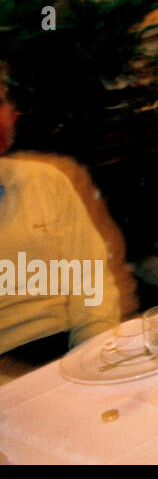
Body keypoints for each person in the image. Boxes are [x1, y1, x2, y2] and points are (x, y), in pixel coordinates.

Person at [0, 62, 123, 375]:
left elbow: (90, 281)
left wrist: (93, 355)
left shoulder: (44, 181)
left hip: (71, 347)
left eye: (0, 102)